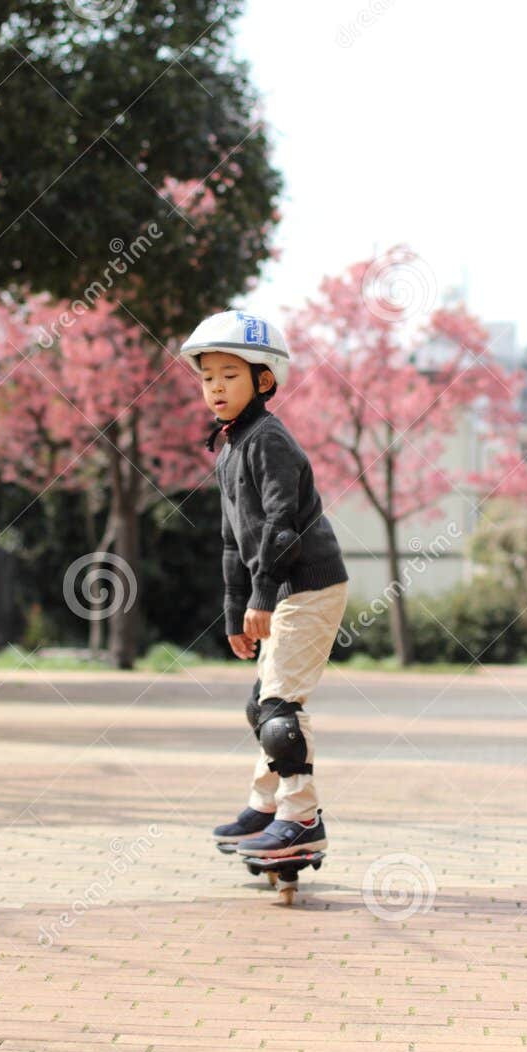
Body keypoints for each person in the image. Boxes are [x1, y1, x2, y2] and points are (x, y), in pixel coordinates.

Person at [179, 309, 349, 861]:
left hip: (306, 583)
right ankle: (267, 807)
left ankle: (301, 819)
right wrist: (236, 611)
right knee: (262, 705)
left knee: (281, 704)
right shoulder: (230, 447)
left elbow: (280, 529)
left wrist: (261, 597)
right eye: (207, 377)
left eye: (230, 375)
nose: (216, 388)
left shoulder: (269, 440)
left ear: (264, 380)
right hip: (281, 588)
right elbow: (234, 541)